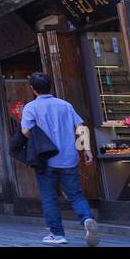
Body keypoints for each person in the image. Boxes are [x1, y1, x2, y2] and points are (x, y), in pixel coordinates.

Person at [21, 71, 100, 246]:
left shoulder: (31, 108)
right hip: (69, 158)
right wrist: (86, 149)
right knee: (76, 195)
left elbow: (26, 131)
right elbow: (80, 128)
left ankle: (57, 234)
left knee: (49, 197)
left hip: (46, 159)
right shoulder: (65, 105)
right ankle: (87, 218)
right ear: (50, 86)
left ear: (33, 89)